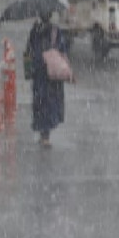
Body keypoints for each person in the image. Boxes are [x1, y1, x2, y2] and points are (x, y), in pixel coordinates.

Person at [23, 8, 72, 147]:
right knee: (50, 103)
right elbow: (63, 50)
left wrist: (29, 69)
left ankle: (43, 132)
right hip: (53, 74)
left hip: (39, 74)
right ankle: (46, 134)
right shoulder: (56, 31)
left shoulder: (35, 31)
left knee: (40, 103)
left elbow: (29, 50)